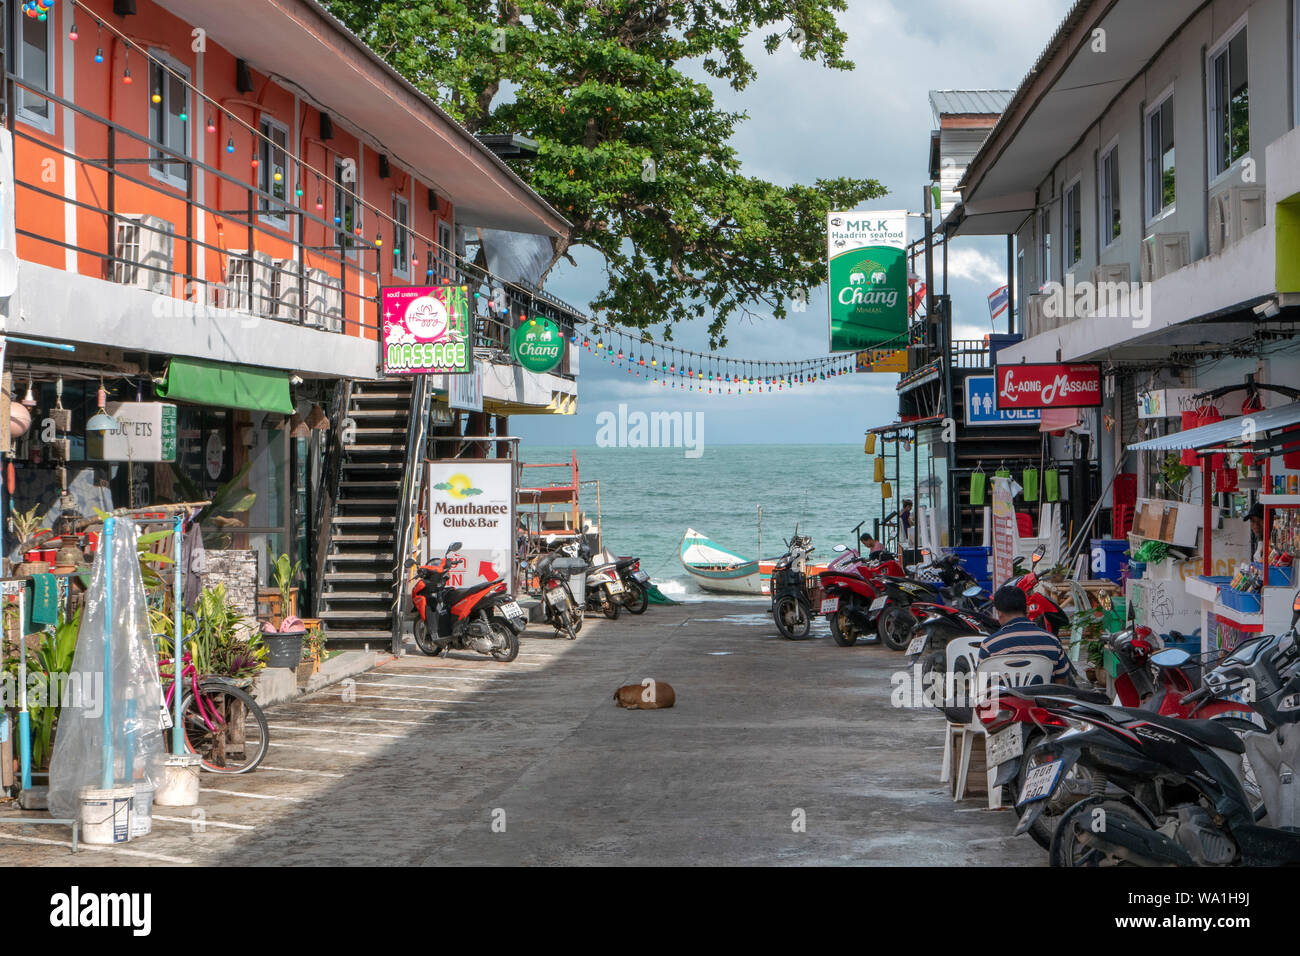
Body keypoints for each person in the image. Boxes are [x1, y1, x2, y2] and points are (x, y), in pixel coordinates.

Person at [978, 584, 1073, 685]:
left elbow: (982, 685)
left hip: (1004, 700)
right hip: (1042, 700)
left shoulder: (988, 645)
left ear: (999, 613)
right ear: (1027, 609)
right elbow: (1062, 683)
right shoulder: (1052, 642)